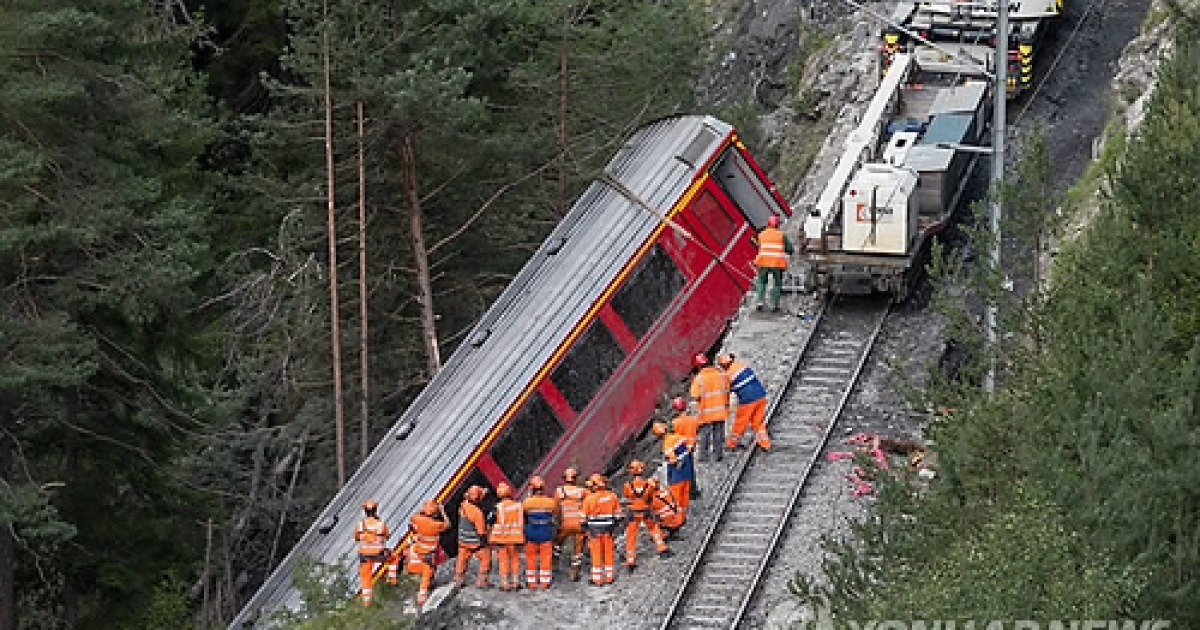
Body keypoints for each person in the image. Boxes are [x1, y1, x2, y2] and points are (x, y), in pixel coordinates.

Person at [718, 353, 772, 451]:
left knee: (740, 422)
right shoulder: (742, 365)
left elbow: (726, 393)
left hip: (748, 400)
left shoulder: (728, 375)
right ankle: (765, 444)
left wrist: (726, 406)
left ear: (724, 365)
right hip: (761, 396)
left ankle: (731, 444)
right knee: (758, 422)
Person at [622, 460, 668, 571]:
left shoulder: (627, 485)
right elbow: (651, 497)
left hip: (632, 512)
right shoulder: (649, 484)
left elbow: (627, 497)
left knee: (631, 536)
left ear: (632, 471)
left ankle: (630, 560)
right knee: (654, 529)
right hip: (646, 510)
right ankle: (662, 548)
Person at [405, 499, 449, 608]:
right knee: (427, 573)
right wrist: (442, 511)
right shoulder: (435, 524)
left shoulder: (416, 519)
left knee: (429, 572)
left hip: (419, 550)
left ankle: (428, 588)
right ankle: (422, 598)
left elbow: (413, 517)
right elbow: (448, 525)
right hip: (429, 553)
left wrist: (424, 510)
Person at [581, 473, 621, 585]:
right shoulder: (612, 496)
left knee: (596, 553)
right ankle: (609, 577)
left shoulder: (588, 499)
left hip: (594, 531)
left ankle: (597, 579)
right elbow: (618, 515)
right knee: (609, 552)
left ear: (593, 486)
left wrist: (585, 528)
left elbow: (583, 519)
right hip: (608, 530)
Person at [689, 353, 730, 462]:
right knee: (719, 432)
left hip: (705, 412)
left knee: (705, 434)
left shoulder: (699, 379)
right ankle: (718, 455)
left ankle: (703, 456)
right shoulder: (722, 375)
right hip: (720, 410)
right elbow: (727, 389)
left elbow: (695, 395)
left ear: (698, 366)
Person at [353, 499, 393, 607]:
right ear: (375, 510)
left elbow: (356, 538)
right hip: (379, 555)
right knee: (394, 558)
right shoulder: (380, 524)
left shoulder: (360, 525)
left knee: (365, 578)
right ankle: (392, 581)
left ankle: (367, 602)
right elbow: (388, 536)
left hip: (364, 556)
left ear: (365, 511)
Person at [554, 467, 589, 582]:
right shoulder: (583, 491)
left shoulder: (559, 491)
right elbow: (589, 506)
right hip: (579, 524)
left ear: (564, 479)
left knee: (557, 544)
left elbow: (557, 509)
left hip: (565, 524)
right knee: (578, 549)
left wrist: (558, 523)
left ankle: (554, 564)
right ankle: (575, 571)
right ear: (576, 478)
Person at [653, 421, 694, 520]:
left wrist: (667, 461)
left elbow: (672, 460)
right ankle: (683, 516)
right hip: (687, 471)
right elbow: (690, 446)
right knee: (685, 495)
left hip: (677, 474)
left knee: (676, 498)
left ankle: (678, 519)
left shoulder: (667, 444)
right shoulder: (678, 437)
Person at [522, 476, 557, 589]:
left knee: (531, 558)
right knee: (545, 558)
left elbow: (524, 517)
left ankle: (531, 582)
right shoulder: (550, 502)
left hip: (531, 534)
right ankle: (545, 582)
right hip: (546, 534)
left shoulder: (527, 503)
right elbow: (555, 515)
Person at [753, 214, 794, 312]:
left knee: (762, 282)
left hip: (763, 262)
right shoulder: (781, 235)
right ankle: (774, 305)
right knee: (777, 283)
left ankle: (760, 301)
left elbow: (757, 245)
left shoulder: (761, 234)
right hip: (777, 263)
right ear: (777, 225)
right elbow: (790, 249)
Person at [489, 482, 525, 591]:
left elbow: (490, 521)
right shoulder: (519, 506)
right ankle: (516, 582)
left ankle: (504, 583)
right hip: (516, 538)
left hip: (502, 539)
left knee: (503, 561)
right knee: (515, 560)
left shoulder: (497, 508)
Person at [454, 485, 492, 588]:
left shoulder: (463, 505)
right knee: (486, 557)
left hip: (462, 540)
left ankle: (458, 579)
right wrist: (485, 543)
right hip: (475, 542)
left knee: (462, 559)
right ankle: (482, 580)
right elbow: (481, 533)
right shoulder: (477, 513)